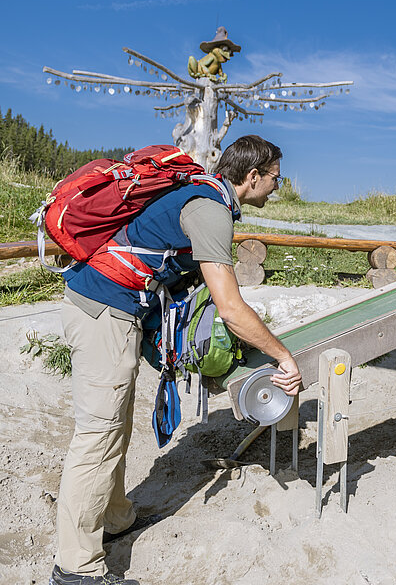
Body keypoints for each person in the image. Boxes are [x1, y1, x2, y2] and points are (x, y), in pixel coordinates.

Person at [51, 135, 302, 585]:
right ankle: (76, 568)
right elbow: (230, 306)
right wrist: (282, 355)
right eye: (274, 180)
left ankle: (114, 519)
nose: (276, 189)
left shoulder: (202, 193)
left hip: (112, 309)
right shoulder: (210, 210)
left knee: (116, 425)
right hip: (102, 311)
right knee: (98, 434)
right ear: (252, 176)